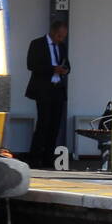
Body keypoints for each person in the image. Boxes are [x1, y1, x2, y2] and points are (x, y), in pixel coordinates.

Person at [25, 20, 70, 168]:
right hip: (43, 89)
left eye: (63, 36)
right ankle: (34, 157)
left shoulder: (62, 46)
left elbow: (68, 65)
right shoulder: (37, 44)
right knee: (43, 123)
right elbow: (31, 65)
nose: (60, 39)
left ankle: (48, 158)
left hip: (58, 88)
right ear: (52, 32)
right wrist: (52, 69)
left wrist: (64, 70)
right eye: (59, 36)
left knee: (55, 125)